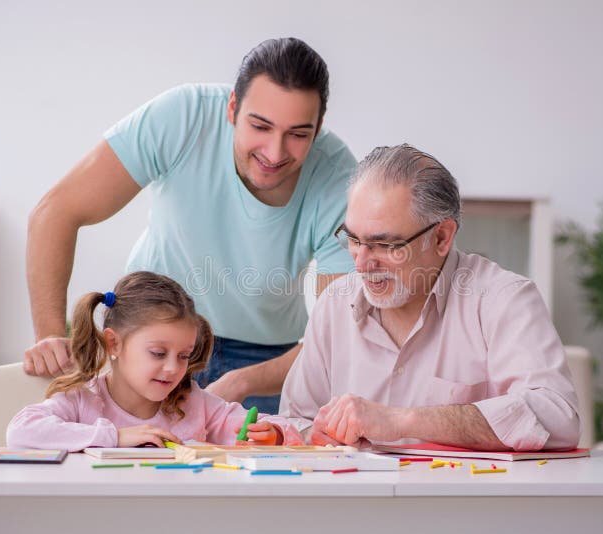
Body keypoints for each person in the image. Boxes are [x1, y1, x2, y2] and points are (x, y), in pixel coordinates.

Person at [24, 37, 356, 414]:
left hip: (264, 363)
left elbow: (334, 337)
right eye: (260, 126)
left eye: (298, 134)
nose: (274, 152)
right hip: (149, 338)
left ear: (319, 126)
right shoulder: (183, 118)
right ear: (232, 107)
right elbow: (54, 212)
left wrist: (245, 379)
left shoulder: (339, 180)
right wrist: (50, 334)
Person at [279, 144, 581, 451]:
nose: (361, 263)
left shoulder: (504, 300)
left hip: (462, 498)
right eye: (354, 239)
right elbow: (295, 419)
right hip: (357, 497)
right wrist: (311, 436)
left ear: (441, 238)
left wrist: (401, 421)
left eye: (385, 245)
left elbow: (557, 418)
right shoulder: (334, 304)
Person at [8, 271, 303, 451]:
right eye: (158, 354)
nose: (173, 368)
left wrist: (271, 435)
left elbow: (279, 429)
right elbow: (21, 431)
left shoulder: (194, 404)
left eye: (184, 356)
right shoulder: (83, 399)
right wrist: (116, 437)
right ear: (114, 343)